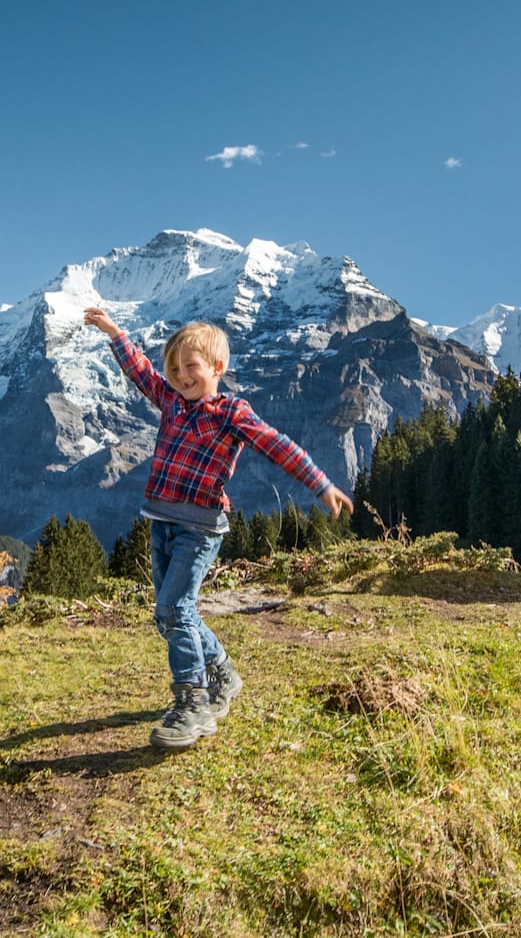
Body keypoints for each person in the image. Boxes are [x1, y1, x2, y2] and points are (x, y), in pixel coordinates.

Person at [84, 307, 353, 748]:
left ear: (216, 368)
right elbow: (142, 373)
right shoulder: (171, 401)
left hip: (200, 529)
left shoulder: (230, 413)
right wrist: (115, 334)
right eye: (175, 368)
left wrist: (319, 483)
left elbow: (275, 444)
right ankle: (222, 672)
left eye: (191, 366)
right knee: (172, 613)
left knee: (174, 611)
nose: (180, 375)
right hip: (161, 523)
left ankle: (194, 703)